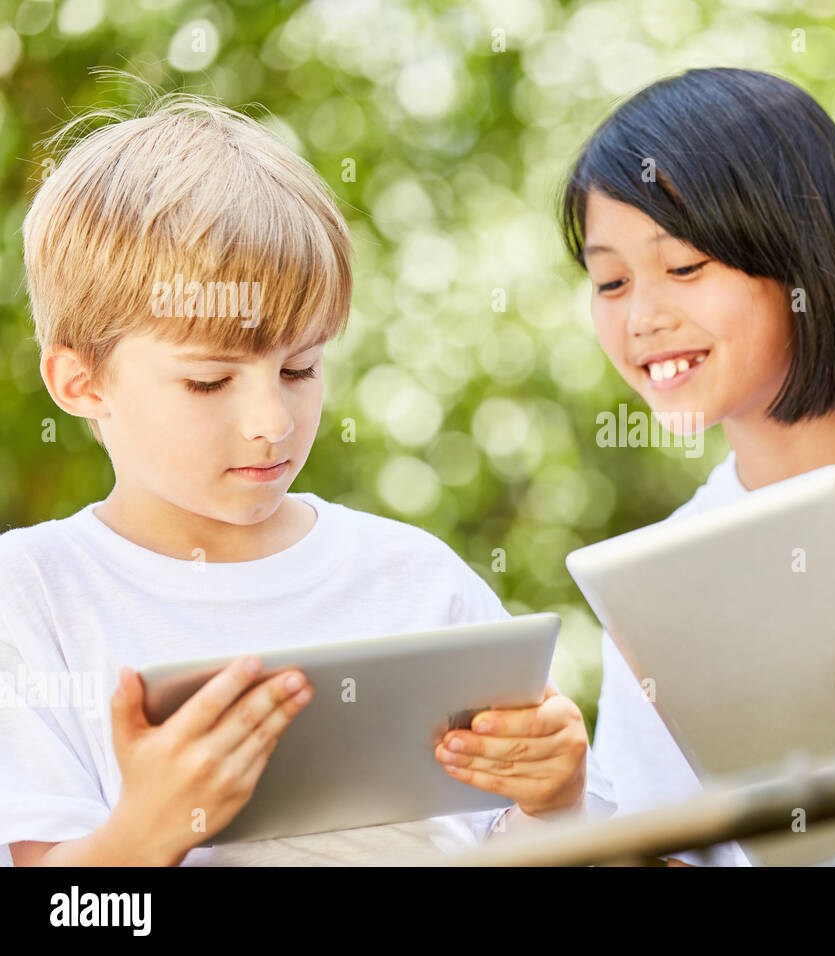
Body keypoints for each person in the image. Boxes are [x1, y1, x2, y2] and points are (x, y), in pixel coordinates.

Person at [2, 94, 610, 866]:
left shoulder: (417, 581)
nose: (272, 421)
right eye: (208, 383)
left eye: (300, 368)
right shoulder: (30, 598)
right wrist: (144, 831)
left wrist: (553, 804)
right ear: (81, 383)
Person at [560, 67, 835, 866]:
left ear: (795, 256)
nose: (643, 318)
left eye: (685, 267)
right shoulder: (661, 570)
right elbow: (663, 837)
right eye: (610, 281)